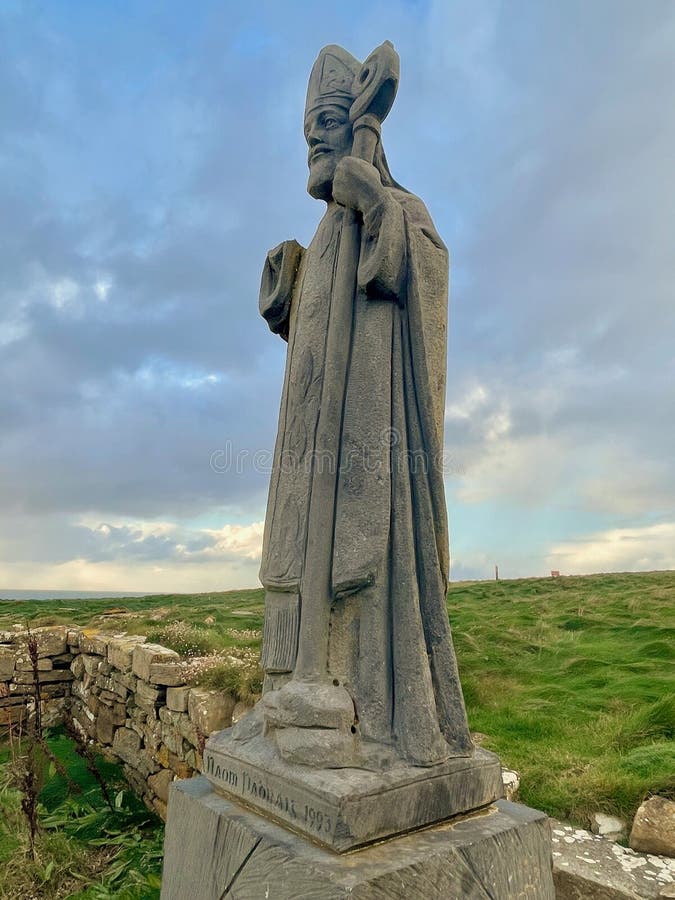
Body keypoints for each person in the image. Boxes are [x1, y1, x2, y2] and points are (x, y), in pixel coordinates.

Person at [258, 45, 472, 767]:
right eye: (306, 127)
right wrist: (288, 298)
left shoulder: (398, 208)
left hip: (369, 452)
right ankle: (289, 691)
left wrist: (376, 204)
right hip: (309, 448)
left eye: (324, 120)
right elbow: (317, 340)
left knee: (360, 560)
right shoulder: (322, 238)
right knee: (297, 556)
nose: (314, 137)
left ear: (355, 120)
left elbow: (422, 281)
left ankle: (374, 721)